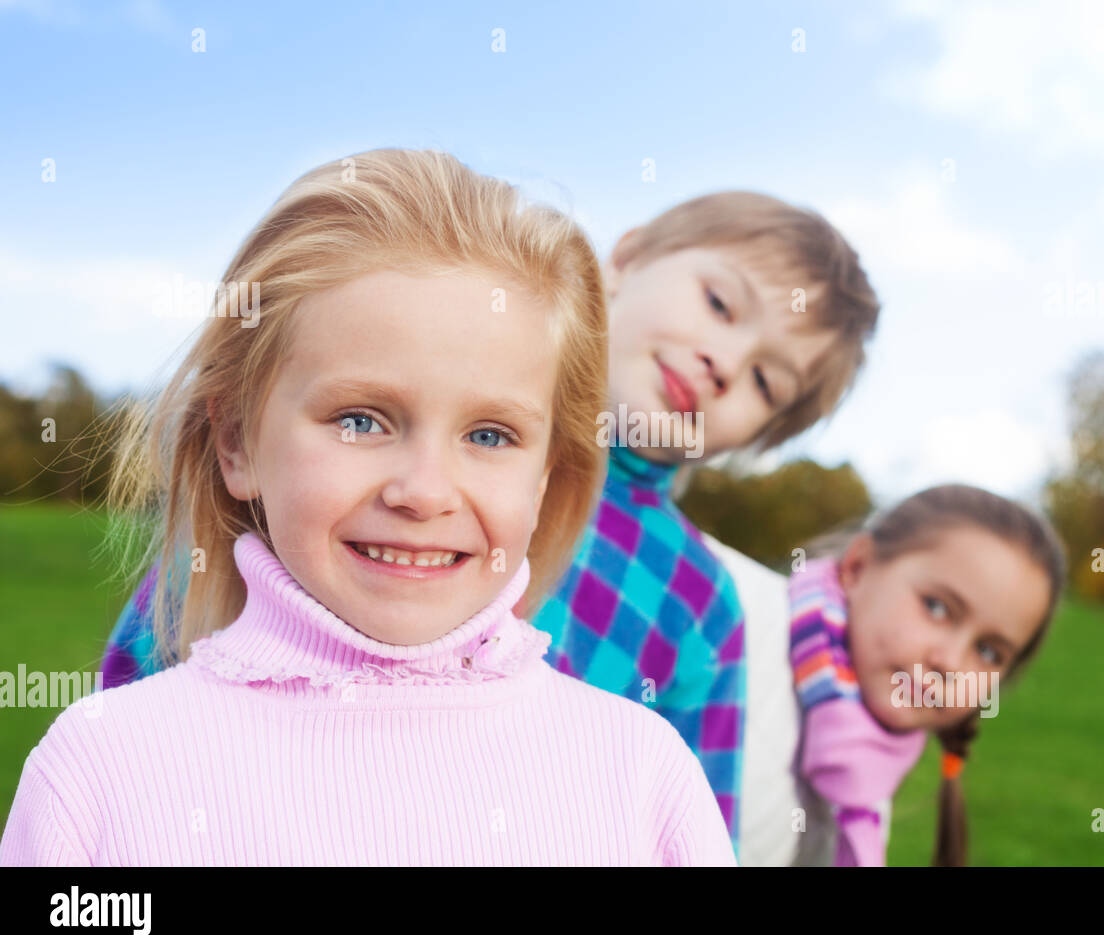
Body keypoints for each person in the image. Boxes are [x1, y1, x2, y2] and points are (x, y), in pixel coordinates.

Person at [0, 148, 734, 865]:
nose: (423, 491)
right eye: (361, 420)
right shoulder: (97, 771)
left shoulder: (642, 778)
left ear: (544, 480)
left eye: (489, 434)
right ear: (236, 443)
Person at [94, 186, 883, 853]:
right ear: (631, 255)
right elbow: (144, 698)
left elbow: (686, 830)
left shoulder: (699, 602)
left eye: (765, 382)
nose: (722, 361)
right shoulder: (348, 464)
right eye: (719, 303)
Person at [720, 484, 1066, 866]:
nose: (949, 663)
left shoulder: (866, 790)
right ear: (858, 566)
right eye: (937, 607)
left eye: (988, 652)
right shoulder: (723, 613)